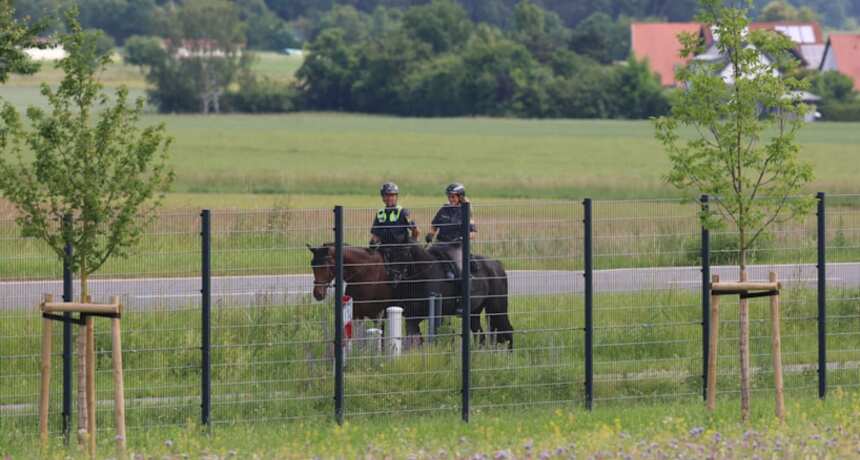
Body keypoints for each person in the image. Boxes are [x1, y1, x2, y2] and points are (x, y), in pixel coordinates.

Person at [370, 182, 420, 282]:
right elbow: (375, 235)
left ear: (396, 197)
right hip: (383, 249)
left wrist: (412, 243)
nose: (389, 198)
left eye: (392, 195)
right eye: (387, 195)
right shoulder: (380, 213)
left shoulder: (403, 212)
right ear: (383, 197)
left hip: (400, 249)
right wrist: (372, 245)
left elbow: (416, 230)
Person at [425, 183, 476, 277]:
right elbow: (435, 226)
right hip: (440, 244)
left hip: (455, 247)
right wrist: (430, 234)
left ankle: (465, 289)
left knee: (459, 271)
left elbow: (472, 234)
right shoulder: (444, 209)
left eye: (453, 197)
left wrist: (461, 238)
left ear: (460, 197)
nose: (450, 199)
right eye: (449, 197)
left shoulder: (466, 211)